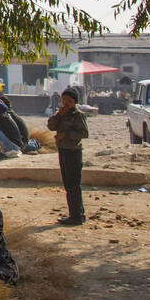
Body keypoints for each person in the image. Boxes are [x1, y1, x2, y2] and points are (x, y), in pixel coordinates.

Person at [47, 86, 89, 225]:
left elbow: (84, 133)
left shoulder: (78, 115)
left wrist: (66, 135)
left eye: (69, 100)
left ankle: (77, 216)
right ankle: (76, 213)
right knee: (68, 184)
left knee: (73, 185)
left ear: (75, 102)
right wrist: (59, 115)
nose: (65, 103)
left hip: (73, 152)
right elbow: (51, 126)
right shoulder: (62, 114)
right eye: (64, 99)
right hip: (63, 150)